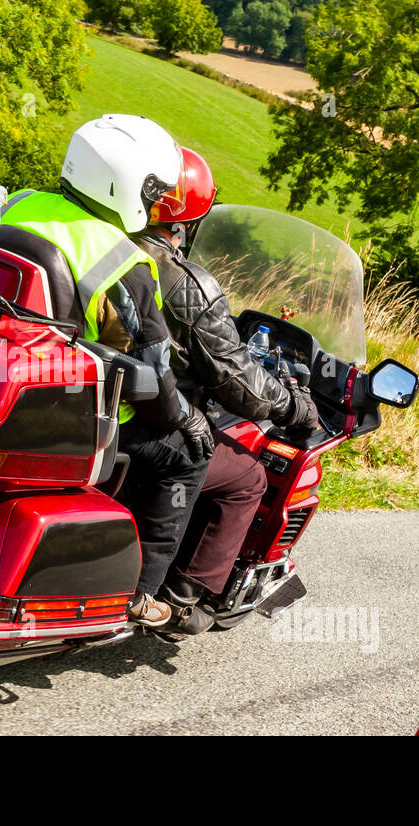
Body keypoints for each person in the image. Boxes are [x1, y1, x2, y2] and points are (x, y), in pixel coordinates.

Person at [0, 114, 215, 627]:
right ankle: (142, 594)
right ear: (126, 184)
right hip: (58, 411)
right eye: (155, 187)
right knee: (187, 455)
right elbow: (158, 379)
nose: (160, 200)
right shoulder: (122, 261)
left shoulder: (19, 203)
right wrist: (186, 418)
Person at [130, 147, 320, 630]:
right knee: (247, 477)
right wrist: (293, 406)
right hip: (149, 424)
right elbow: (240, 383)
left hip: (99, 406)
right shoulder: (185, 283)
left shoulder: (105, 248)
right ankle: (182, 597)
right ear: (184, 220)